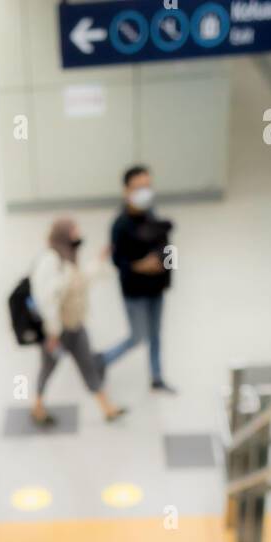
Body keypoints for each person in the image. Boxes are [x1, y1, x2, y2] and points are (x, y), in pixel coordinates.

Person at [30, 218, 126, 426]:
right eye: (74, 232)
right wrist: (53, 331)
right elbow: (47, 299)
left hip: (75, 325)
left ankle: (107, 408)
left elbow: (79, 280)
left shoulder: (69, 257)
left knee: (88, 365)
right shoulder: (50, 261)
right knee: (47, 368)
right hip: (56, 331)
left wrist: (99, 262)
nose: (78, 236)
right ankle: (37, 406)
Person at [101, 165, 176, 393]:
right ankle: (100, 361)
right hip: (135, 292)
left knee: (155, 335)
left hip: (156, 287)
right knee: (137, 336)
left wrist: (164, 265)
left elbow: (167, 247)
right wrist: (140, 265)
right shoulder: (120, 224)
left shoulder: (152, 215)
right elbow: (117, 260)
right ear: (126, 190)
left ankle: (157, 378)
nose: (145, 192)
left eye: (148, 186)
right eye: (138, 187)